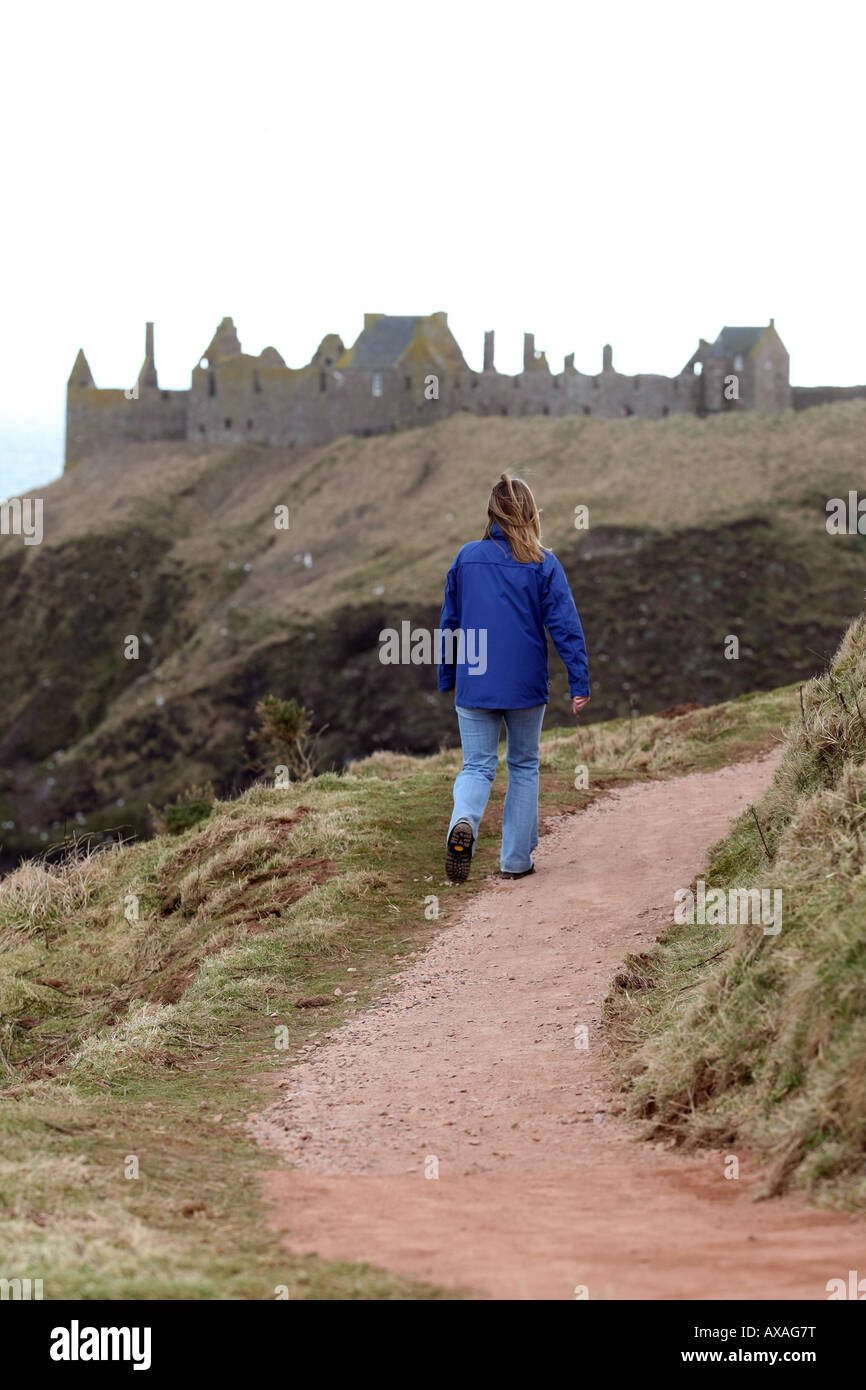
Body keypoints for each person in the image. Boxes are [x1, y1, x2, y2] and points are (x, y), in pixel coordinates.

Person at [438, 473, 590, 882]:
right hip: (525, 685)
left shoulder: (465, 558)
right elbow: (566, 626)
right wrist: (580, 683)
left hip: (475, 680)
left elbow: (449, 623)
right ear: (529, 514)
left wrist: (447, 674)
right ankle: (515, 861)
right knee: (523, 764)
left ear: (491, 514)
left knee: (477, 767)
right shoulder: (543, 563)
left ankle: (463, 822)